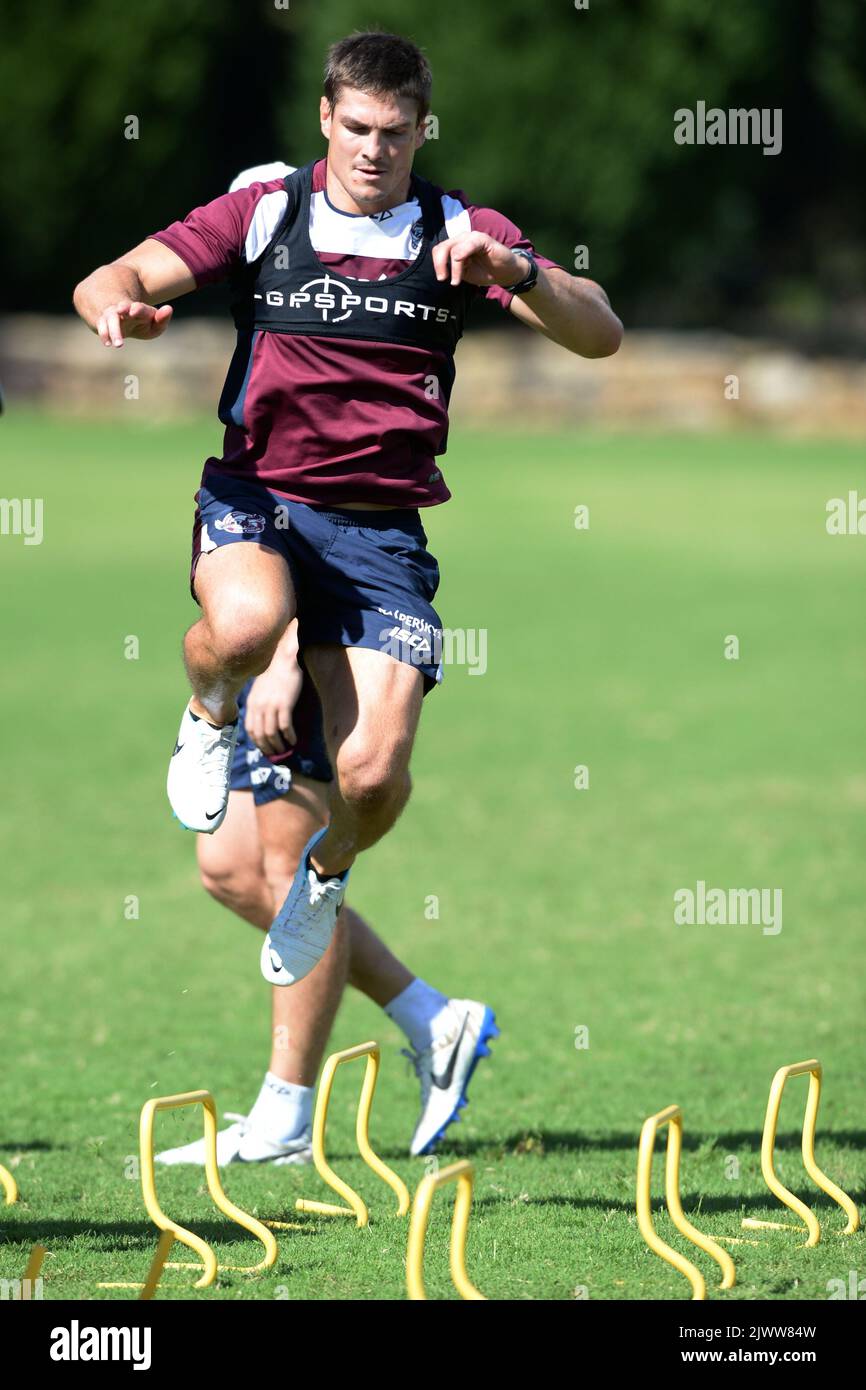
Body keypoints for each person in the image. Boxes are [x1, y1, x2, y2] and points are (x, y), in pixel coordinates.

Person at [72, 31, 622, 1000]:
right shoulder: (265, 211)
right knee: (242, 627)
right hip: (259, 497)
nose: (374, 149)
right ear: (325, 118)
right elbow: (106, 279)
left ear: (420, 130)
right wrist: (125, 309)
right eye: (356, 127)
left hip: (379, 533)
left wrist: (515, 270)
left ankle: (324, 876)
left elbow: (599, 334)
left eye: (395, 132)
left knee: (369, 776)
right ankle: (205, 714)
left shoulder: (457, 229)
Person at [158, 619, 498, 1164]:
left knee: (289, 875)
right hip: (253, 656)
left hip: (306, 654)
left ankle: (285, 1119)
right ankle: (431, 1017)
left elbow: (312, 539)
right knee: (229, 869)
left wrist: (287, 654)